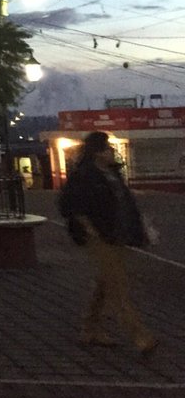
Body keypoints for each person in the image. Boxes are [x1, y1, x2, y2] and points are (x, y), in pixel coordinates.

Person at [57, 131, 157, 354]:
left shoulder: (112, 174)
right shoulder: (84, 176)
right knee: (118, 287)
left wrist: (139, 229)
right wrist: (90, 230)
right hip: (98, 237)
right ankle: (140, 337)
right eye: (107, 148)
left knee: (105, 282)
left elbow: (125, 203)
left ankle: (90, 327)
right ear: (98, 152)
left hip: (116, 234)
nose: (111, 151)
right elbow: (71, 207)